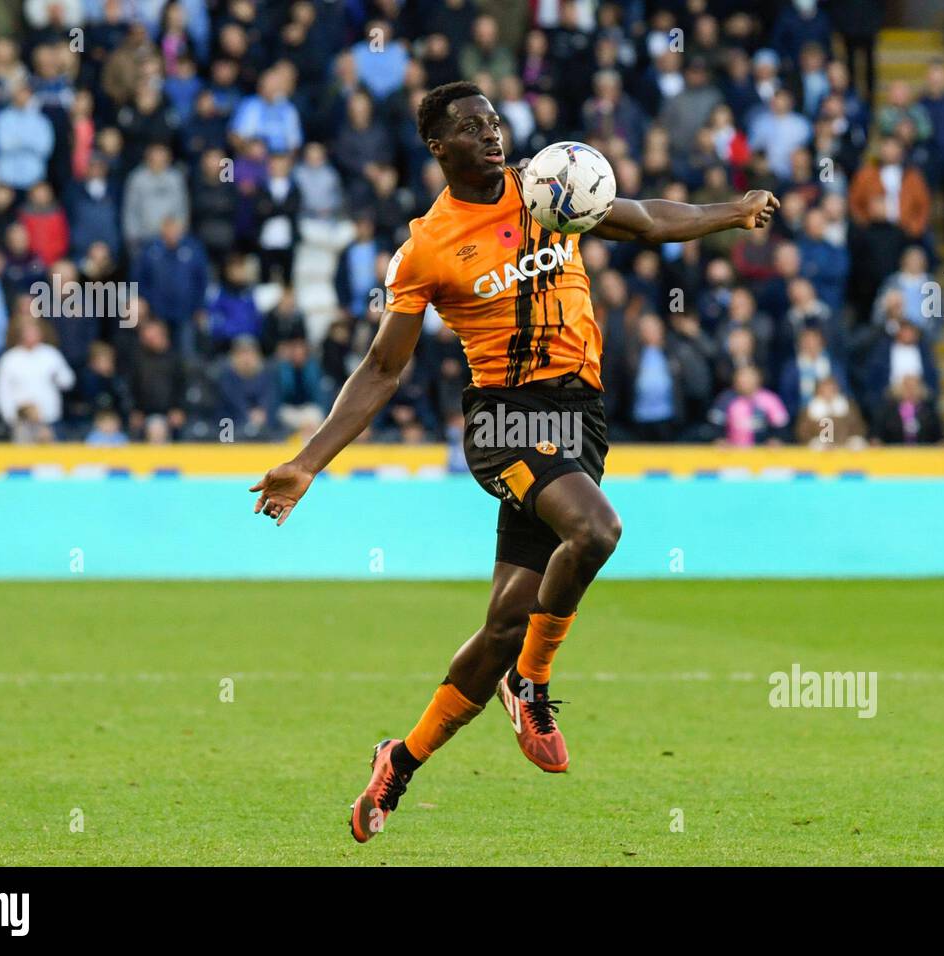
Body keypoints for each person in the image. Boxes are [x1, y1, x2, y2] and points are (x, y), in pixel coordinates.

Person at [246, 81, 778, 843]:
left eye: (494, 120)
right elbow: (382, 370)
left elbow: (647, 220)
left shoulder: (548, 188)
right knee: (595, 532)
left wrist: (731, 211)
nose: (491, 134)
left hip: (580, 418)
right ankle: (530, 683)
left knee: (501, 625)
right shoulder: (427, 247)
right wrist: (307, 462)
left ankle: (400, 761)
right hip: (504, 423)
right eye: (471, 127)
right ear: (440, 148)